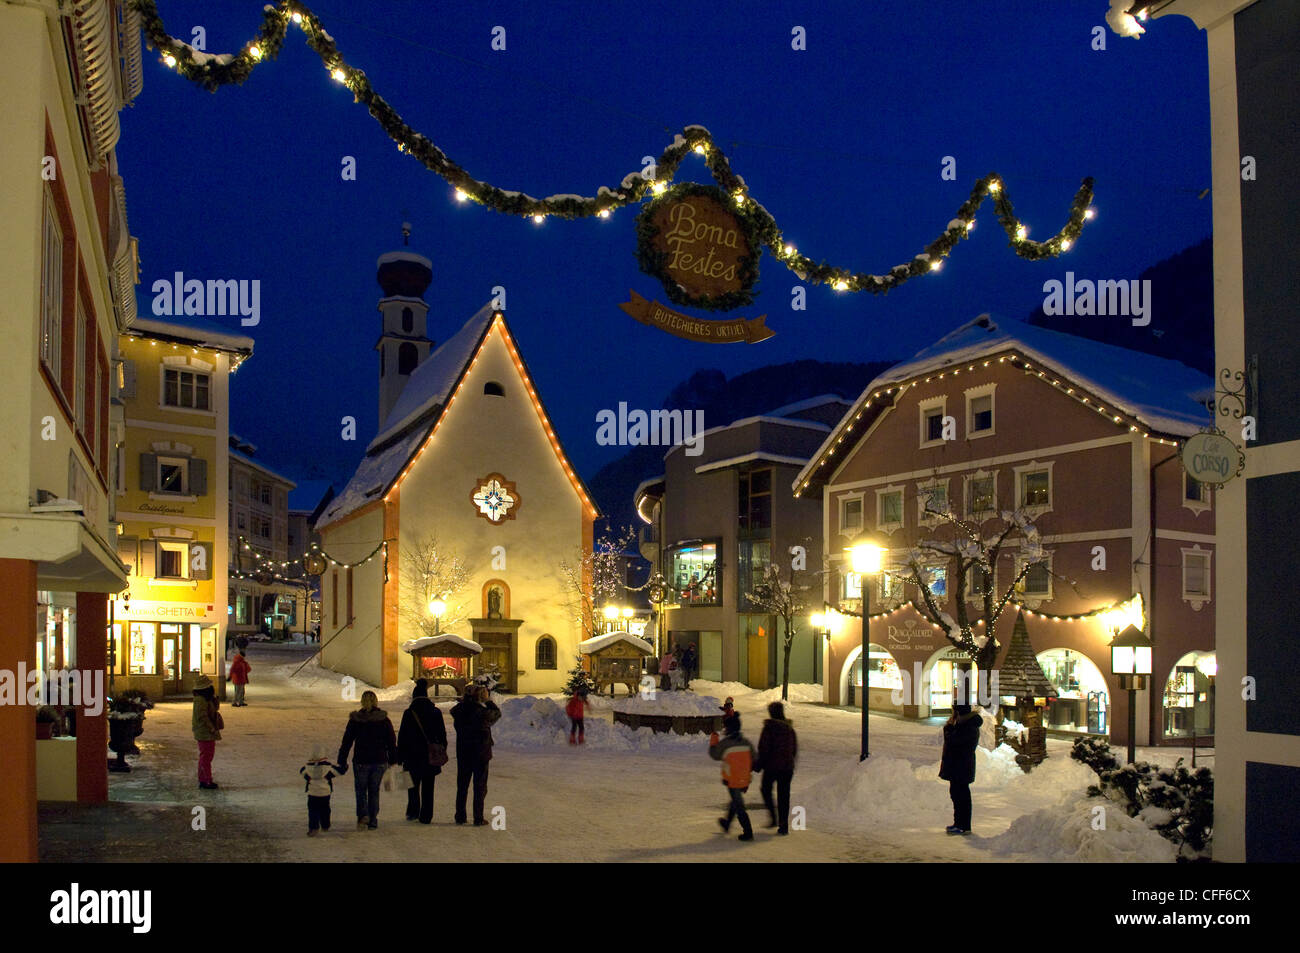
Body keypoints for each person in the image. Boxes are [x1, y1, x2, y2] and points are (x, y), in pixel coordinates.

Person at [337, 690, 398, 830]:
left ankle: (363, 815)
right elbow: (391, 741)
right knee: (374, 790)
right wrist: (393, 758)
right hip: (379, 760)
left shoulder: (356, 720)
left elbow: (347, 741)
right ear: (376, 701)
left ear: (362, 702)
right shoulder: (383, 720)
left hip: (361, 760)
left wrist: (342, 758)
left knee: (360, 789)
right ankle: (373, 819)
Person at [450, 684, 501, 825]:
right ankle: (478, 817)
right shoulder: (482, 712)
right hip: (481, 753)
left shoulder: (459, 711)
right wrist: (488, 701)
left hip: (463, 752)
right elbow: (496, 713)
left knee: (462, 786)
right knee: (479, 786)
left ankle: (460, 816)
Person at [398, 679, 447, 824]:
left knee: (411, 786)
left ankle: (413, 811)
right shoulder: (435, 712)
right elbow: (442, 734)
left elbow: (402, 736)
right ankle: (426, 815)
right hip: (430, 756)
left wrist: (399, 755)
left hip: (411, 756)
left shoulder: (409, 713)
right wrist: (441, 748)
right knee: (428, 787)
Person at [709, 713, 755, 840]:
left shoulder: (726, 743)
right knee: (736, 800)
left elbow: (715, 755)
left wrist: (713, 741)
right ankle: (727, 823)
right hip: (745, 779)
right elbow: (754, 758)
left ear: (728, 729)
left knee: (739, 805)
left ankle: (748, 831)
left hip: (733, 778)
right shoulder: (746, 742)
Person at [756, 701, 798, 834]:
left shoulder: (769, 728)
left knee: (766, 789)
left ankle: (773, 816)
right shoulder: (789, 728)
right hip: (787, 767)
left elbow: (764, 749)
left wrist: (758, 765)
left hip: (772, 767)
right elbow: (794, 748)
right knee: (784, 796)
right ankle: (783, 825)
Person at [939, 703, 982, 835]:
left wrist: (949, 727)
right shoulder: (964, 725)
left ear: (959, 712)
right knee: (957, 795)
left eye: (954, 711)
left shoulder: (967, 726)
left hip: (961, 767)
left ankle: (963, 826)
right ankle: (959, 823)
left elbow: (954, 741)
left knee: (961, 797)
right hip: (959, 766)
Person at [299, 745, 344, 835]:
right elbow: (340, 771)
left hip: (312, 793)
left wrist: (309, 778)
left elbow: (301, 772)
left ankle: (313, 827)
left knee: (313, 811)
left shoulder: (307, 768)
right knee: (325, 809)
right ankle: (325, 825)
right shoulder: (328, 768)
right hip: (325, 793)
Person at [191, 675, 222, 790]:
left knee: (207, 755)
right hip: (204, 732)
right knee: (206, 756)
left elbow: (213, 710)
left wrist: (215, 700)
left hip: (205, 732)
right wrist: (211, 728)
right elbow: (202, 716)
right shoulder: (200, 700)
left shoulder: (205, 698)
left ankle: (205, 779)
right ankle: (205, 780)